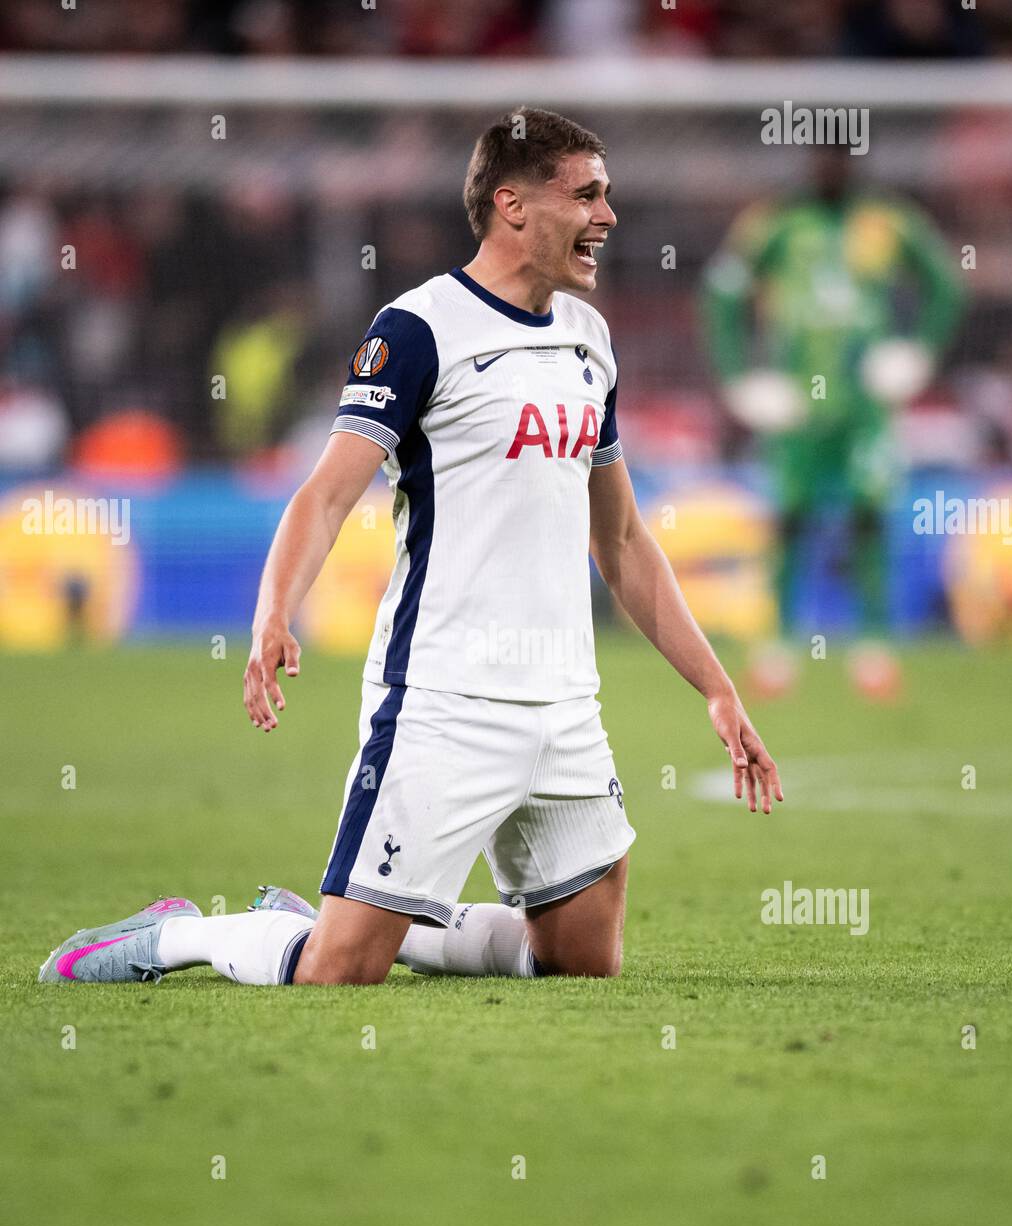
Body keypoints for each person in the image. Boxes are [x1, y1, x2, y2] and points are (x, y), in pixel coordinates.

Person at [40, 107, 782, 990]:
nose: (608, 215)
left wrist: (717, 688)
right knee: (339, 972)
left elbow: (620, 539)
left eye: (607, 194)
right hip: (444, 700)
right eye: (586, 195)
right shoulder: (420, 328)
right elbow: (325, 496)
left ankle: (344, 920)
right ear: (513, 204)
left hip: (565, 706)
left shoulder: (589, 340)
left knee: (583, 960)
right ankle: (181, 934)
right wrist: (274, 613)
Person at [702, 146, 963, 693]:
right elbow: (722, 291)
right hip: (798, 404)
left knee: (869, 514)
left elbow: (944, 282)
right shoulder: (775, 222)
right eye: (823, 156)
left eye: (841, 156)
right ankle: (778, 644)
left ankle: (873, 647)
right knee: (790, 517)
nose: (831, 167)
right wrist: (739, 377)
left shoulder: (888, 220)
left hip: (865, 403)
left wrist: (919, 352)